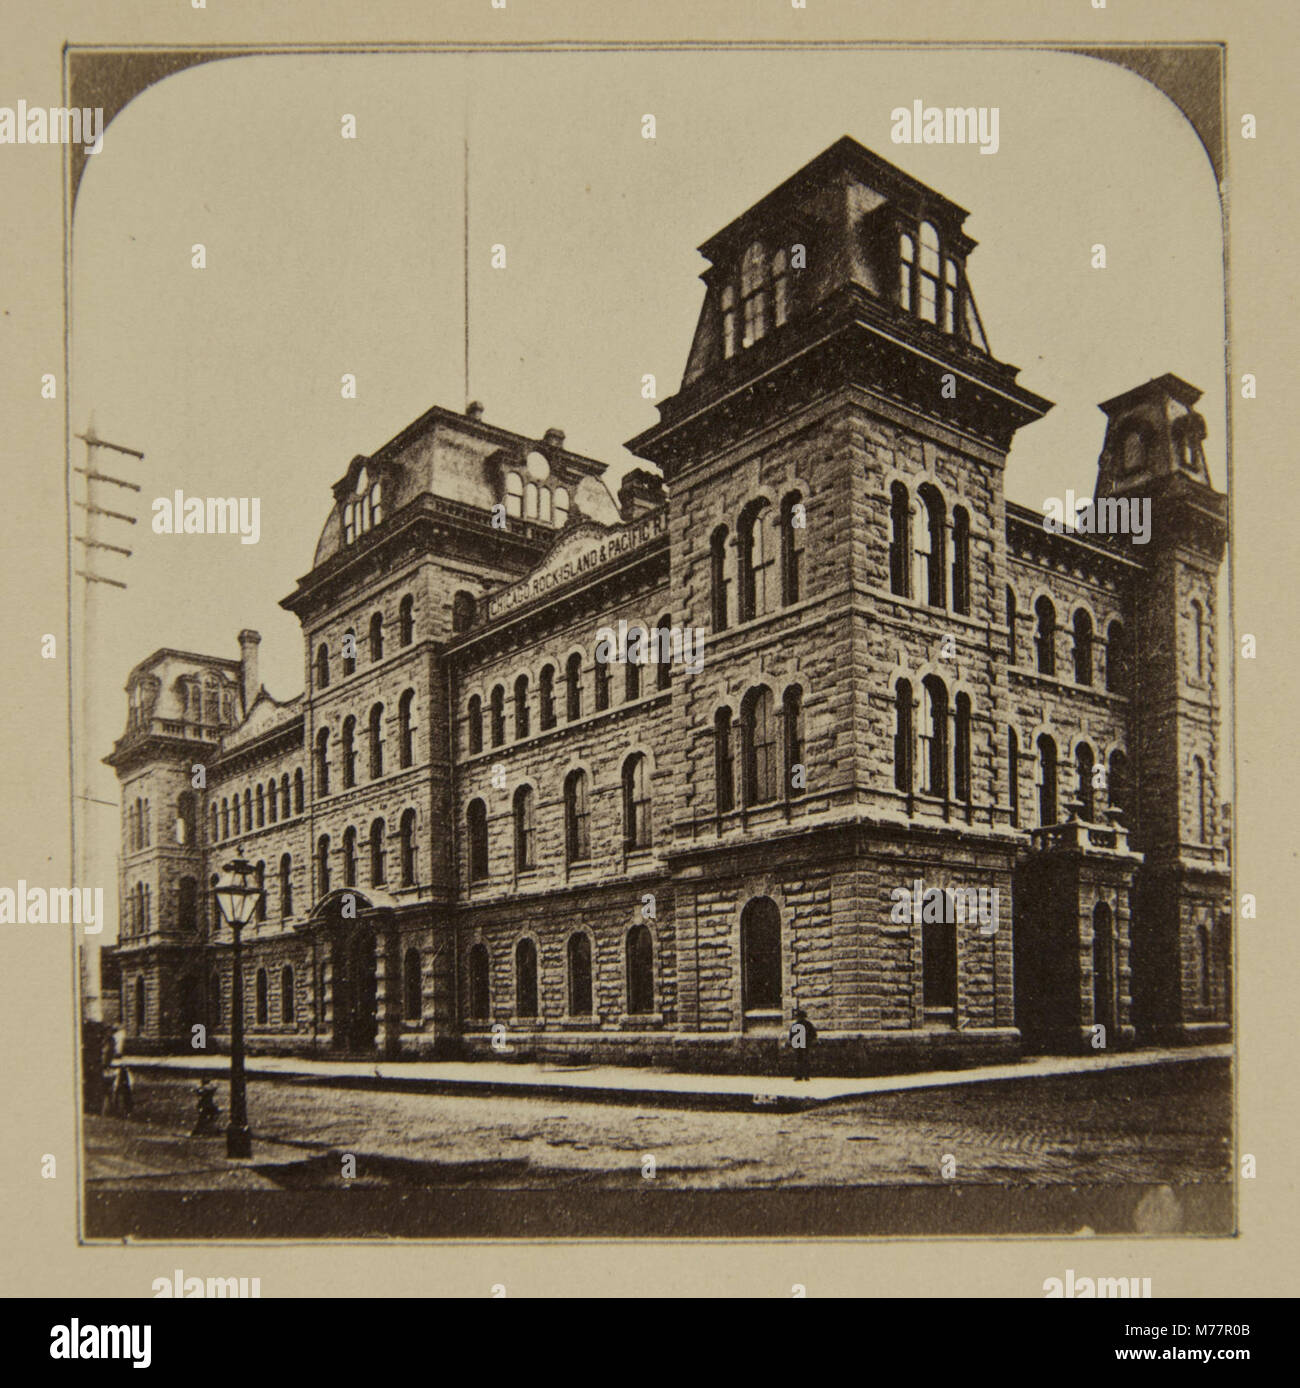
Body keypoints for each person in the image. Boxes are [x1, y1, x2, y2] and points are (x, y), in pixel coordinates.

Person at [790, 1006, 817, 1081]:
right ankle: (806, 1076)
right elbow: (813, 1034)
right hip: (805, 1044)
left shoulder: (795, 1025)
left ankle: (799, 1076)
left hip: (798, 1044)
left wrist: (793, 1043)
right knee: (805, 1060)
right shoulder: (808, 1024)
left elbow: (791, 1035)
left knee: (799, 1060)